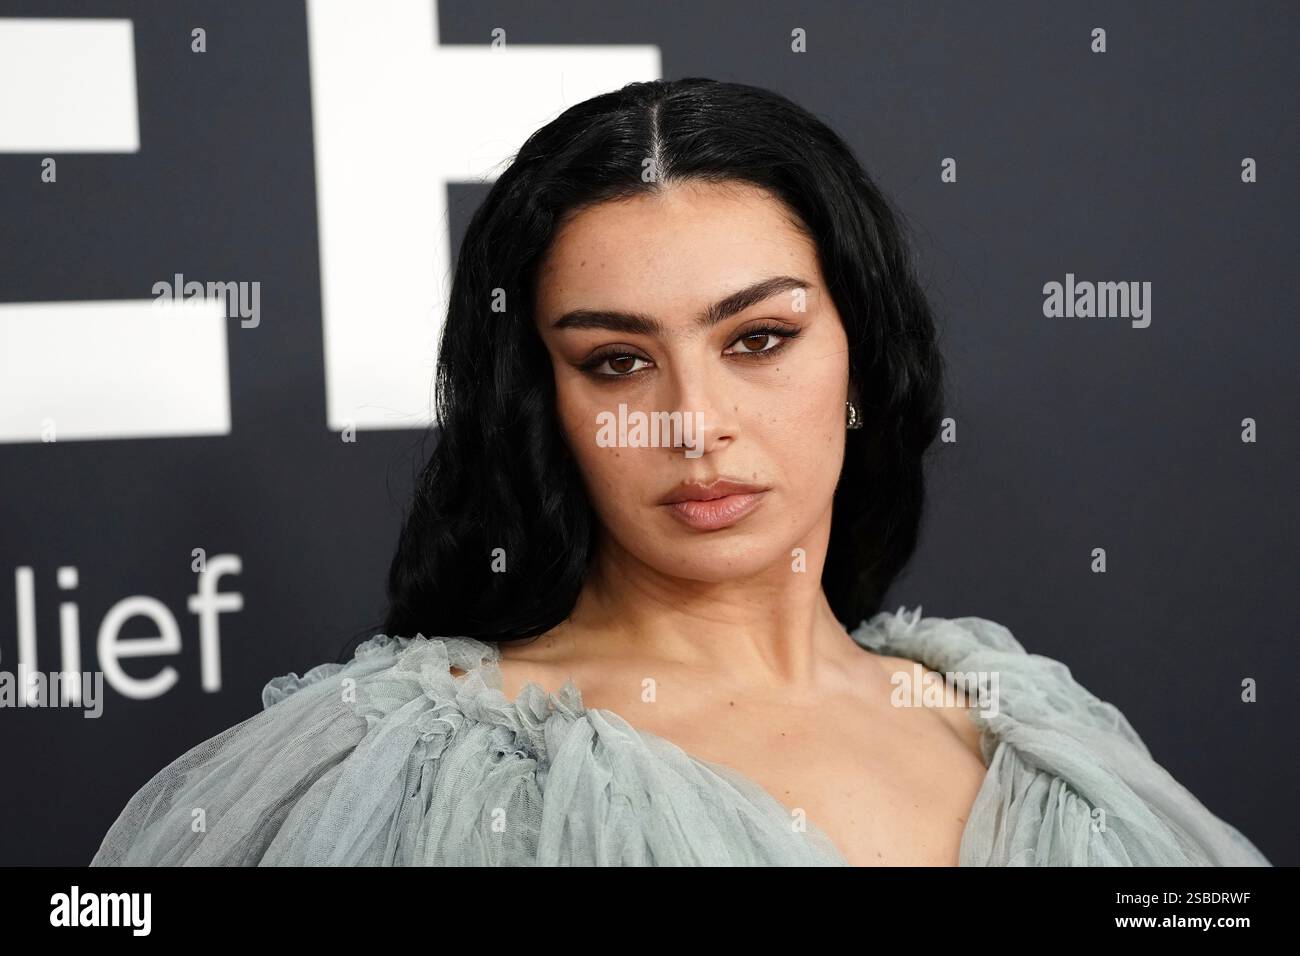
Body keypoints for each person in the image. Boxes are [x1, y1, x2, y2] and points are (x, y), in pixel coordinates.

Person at [90, 78, 1270, 866]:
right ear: (538, 398)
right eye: (615, 361)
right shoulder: (403, 764)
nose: (691, 424)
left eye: (758, 339)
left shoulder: (1029, 724)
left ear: (860, 349)